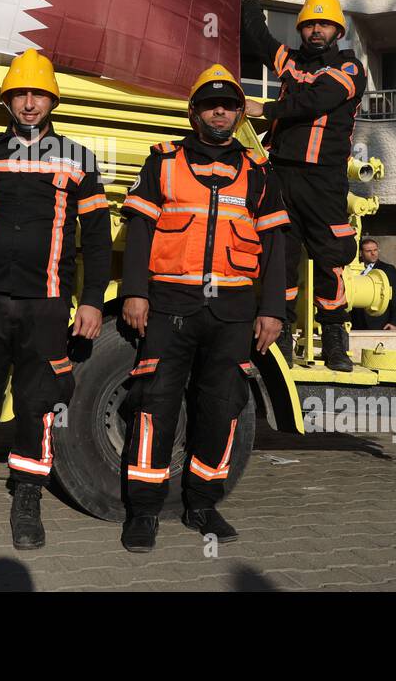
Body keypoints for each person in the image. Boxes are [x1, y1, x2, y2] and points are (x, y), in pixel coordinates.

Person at [0, 49, 112, 551]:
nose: (29, 103)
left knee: (38, 402)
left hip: (47, 305)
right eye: (20, 95)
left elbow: (97, 239)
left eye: (38, 94)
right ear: (7, 100)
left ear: (52, 99)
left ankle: (27, 497)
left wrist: (93, 301)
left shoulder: (78, 159)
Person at [117, 65, 286, 552]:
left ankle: (203, 504)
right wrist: (135, 292)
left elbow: (276, 246)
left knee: (222, 409)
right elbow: (141, 231)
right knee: (154, 406)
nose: (220, 111)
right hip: (171, 308)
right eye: (211, 104)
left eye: (230, 105)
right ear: (193, 112)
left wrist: (272, 309)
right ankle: (143, 512)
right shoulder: (163, 162)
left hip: (232, 313)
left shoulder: (258, 174)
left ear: (239, 114)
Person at [240, 0, 366, 373]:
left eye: (323, 24)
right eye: (310, 24)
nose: (316, 30)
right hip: (282, 176)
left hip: (324, 181)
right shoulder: (290, 61)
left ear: (337, 30)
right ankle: (284, 342)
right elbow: (258, 40)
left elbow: (317, 100)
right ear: (301, 29)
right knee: (281, 258)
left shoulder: (350, 67)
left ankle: (334, 343)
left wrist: (267, 110)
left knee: (330, 261)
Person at [350, 238, 396, 330]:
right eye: (369, 251)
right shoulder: (353, 270)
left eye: (375, 250)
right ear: (361, 253)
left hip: (379, 322)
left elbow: (395, 297)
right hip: (356, 322)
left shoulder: (387, 269)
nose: (373, 253)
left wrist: (394, 322)